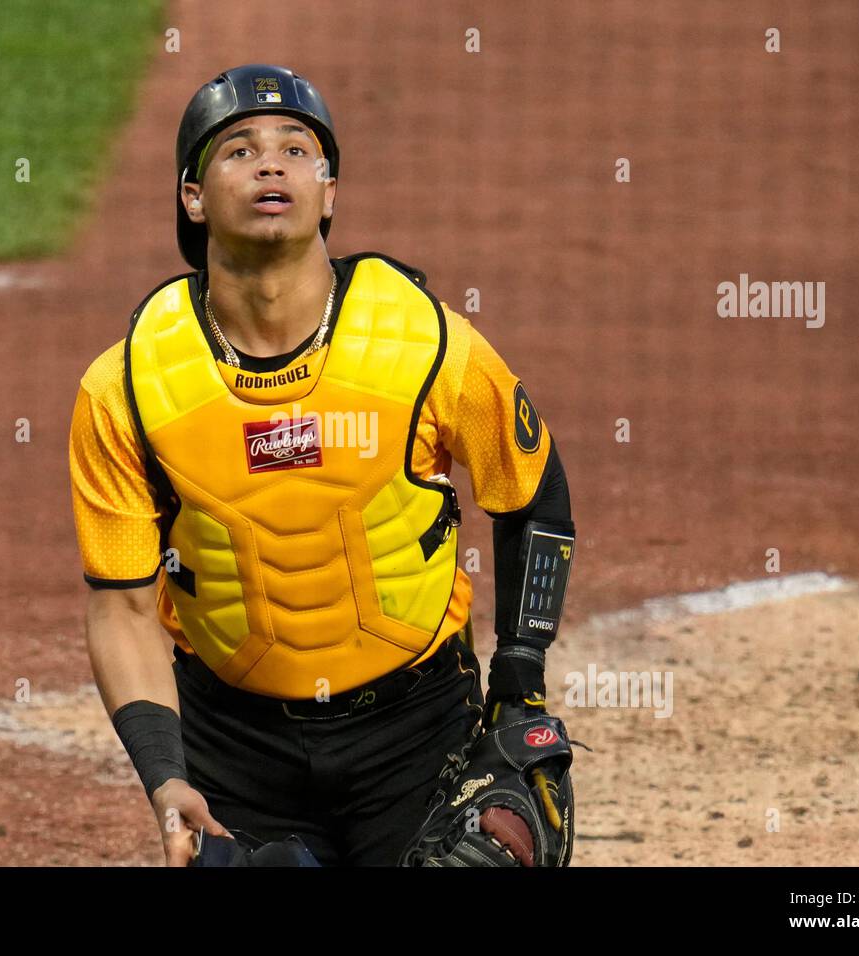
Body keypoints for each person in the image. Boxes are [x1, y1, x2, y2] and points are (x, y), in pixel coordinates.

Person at [69, 64, 577, 867]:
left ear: (329, 190)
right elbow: (123, 607)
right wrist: (165, 779)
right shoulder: (128, 385)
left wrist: (520, 682)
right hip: (232, 743)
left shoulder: (422, 342)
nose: (271, 164)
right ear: (192, 198)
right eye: (237, 149)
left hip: (417, 731)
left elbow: (532, 495)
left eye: (296, 149)